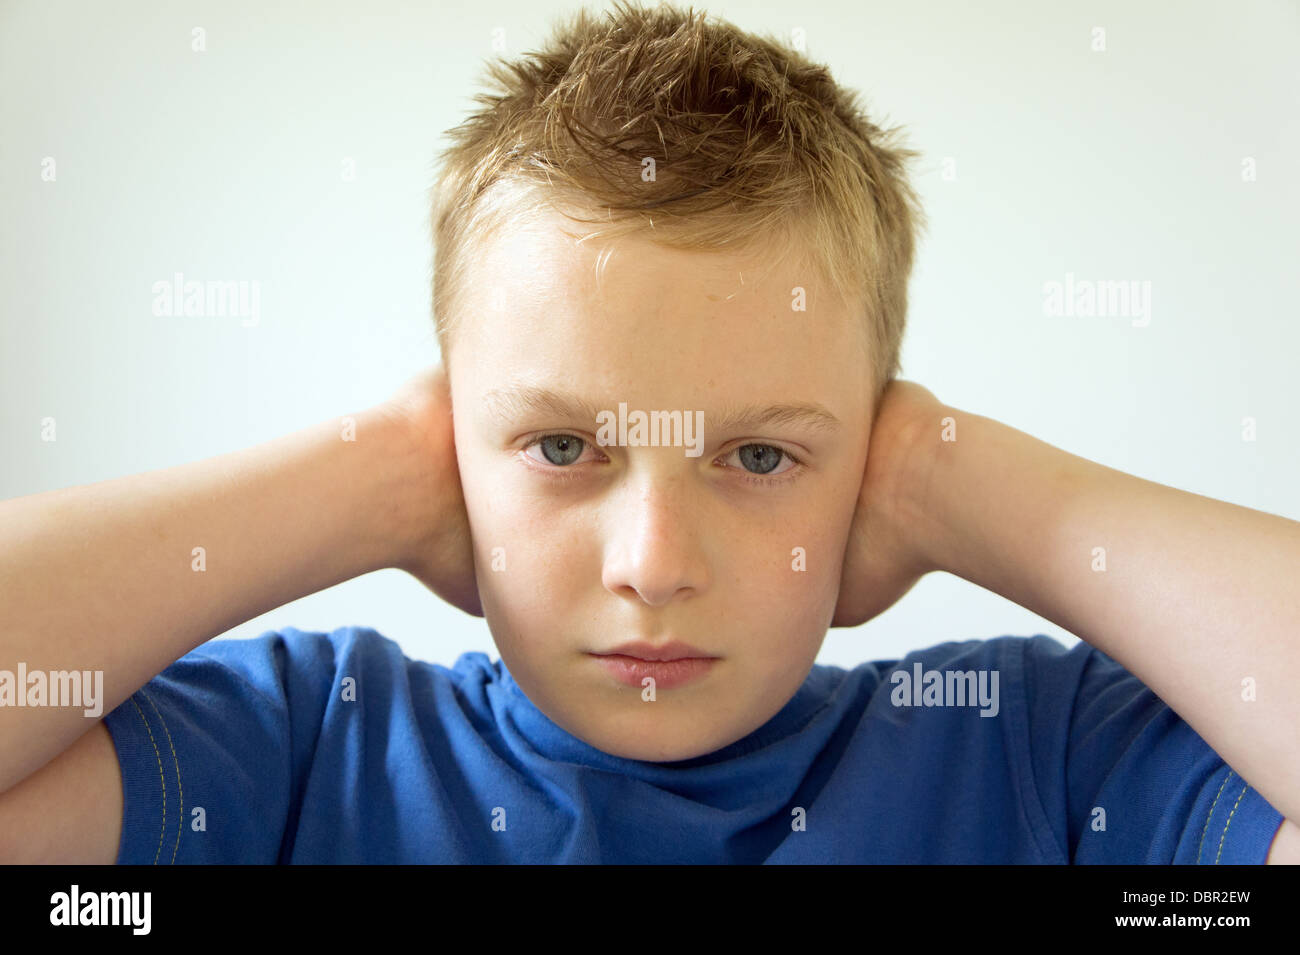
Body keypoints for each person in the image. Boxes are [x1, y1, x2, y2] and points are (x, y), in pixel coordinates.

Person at [2, 0, 1296, 863]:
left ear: (874, 460)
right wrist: (383, 472)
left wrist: (969, 483)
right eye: (562, 449)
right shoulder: (307, 745)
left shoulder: (1046, 761)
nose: (654, 563)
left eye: (760, 455)